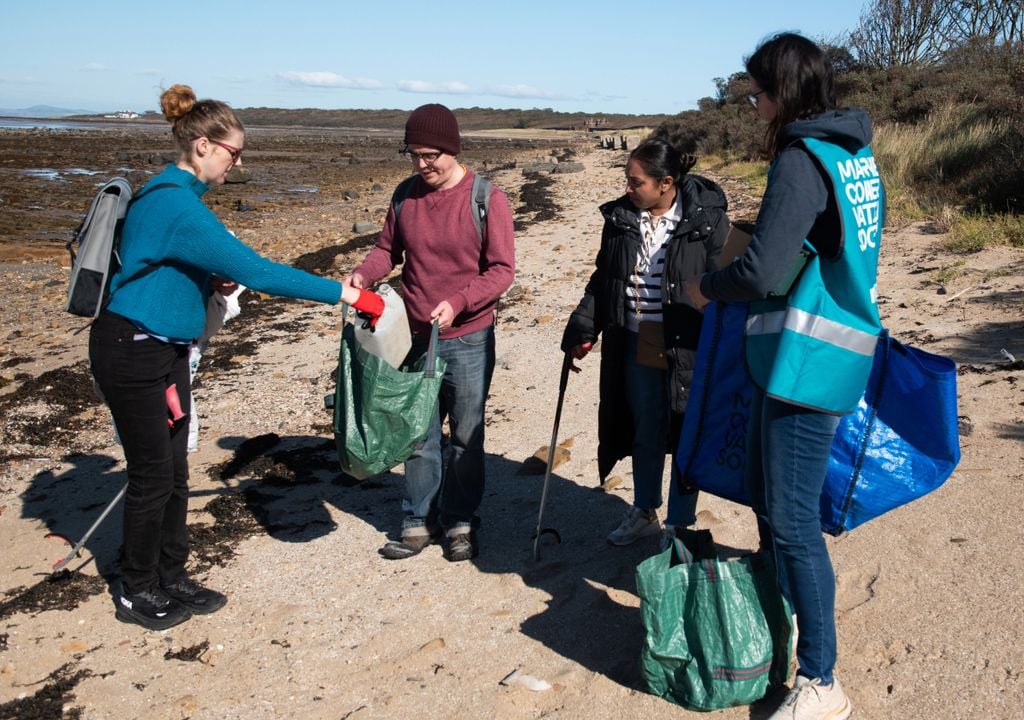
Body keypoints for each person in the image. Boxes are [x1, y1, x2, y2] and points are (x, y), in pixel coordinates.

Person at [89, 84, 385, 631]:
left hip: (164, 349)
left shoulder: (174, 196)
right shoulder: (177, 203)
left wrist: (205, 273)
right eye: (233, 151)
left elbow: (160, 263)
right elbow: (262, 273)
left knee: (175, 471)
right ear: (202, 146)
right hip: (132, 349)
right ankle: (136, 588)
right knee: (153, 475)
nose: (238, 162)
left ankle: (171, 577)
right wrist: (350, 295)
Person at [684, 33, 884, 720]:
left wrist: (709, 287)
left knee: (793, 522)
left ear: (784, 92)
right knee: (775, 506)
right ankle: (788, 628)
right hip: (835, 351)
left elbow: (765, 269)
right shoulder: (854, 155)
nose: (753, 103)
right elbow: (820, 251)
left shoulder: (801, 161)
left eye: (757, 92)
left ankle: (822, 681)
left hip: (804, 364)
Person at [346, 104, 515, 562]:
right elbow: (387, 251)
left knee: (465, 434)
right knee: (418, 433)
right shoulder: (405, 196)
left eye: (431, 155)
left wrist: (459, 302)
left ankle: (460, 520)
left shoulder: (486, 198)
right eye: (414, 154)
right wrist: (363, 276)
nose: (423, 164)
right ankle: (417, 518)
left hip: (469, 336)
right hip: (415, 335)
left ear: (452, 150)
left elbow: (502, 271)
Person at [561, 138, 729, 548]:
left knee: (689, 431)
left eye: (635, 182)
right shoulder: (621, 217)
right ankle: (644, 510)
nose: (628, 189)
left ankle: (679, 525)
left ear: (666, 182)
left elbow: (726, 281)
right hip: (638, 339)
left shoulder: (707, 219)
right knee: (646, 429)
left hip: (689, 341)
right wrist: (583, 329)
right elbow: (605, 278)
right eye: (627, 180)